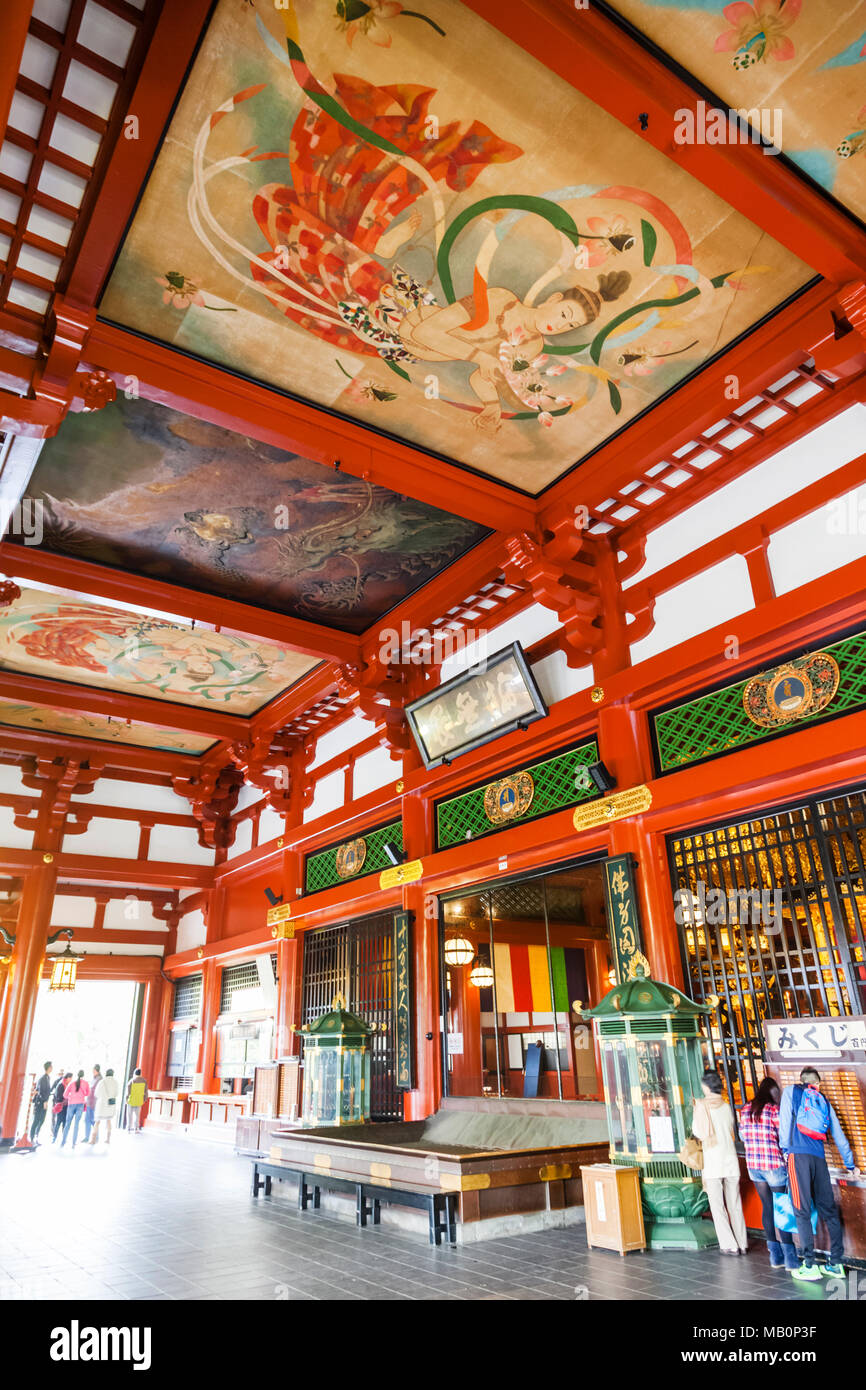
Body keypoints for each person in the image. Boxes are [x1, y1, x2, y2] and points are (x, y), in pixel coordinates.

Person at [779, 1066, 860, 1282]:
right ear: (818, 1083)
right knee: (829, 1210)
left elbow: (785, 1122)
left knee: (802, 1211)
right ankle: (836, 1263)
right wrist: (850, 1164)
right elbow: (839, 1135)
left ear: (801, 1080)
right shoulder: (822, 1098)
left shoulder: (790, 1092)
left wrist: (786, 1150)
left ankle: (810, 1265)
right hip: (819, 1159)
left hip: (798, 1157)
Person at [739, 1077, 797, 1270]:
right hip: (772, 1164)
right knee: (781, 1206)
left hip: (754, 1165)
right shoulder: (773, 1110)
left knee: (768, 1207)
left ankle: (775, 1257)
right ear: (772, 1093)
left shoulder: (746, 1109)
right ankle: (790, 1258)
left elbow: (742, 1135)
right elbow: (784, 1136)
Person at [691, 1068, 747, 1255]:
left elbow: (699, 1133)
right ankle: (742, 1242)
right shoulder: (726, 1106)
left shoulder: (701, 1106)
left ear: (706, 1086)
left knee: (717, 1205)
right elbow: (731, 1127)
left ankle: (729, 1244)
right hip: (730, 1159)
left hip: (713, 1161)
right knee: (735, 1204)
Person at [89, 1068, 120, 1146]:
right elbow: (116, 1093)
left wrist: (103, 1097)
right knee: (109, 1121)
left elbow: (96, 1094)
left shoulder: (102, 1082)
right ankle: (108, 1139)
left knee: (97, 1122)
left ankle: (93, 1140)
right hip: (110, 1105)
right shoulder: (115, 1082)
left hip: (101, 1105)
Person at [61, 1070, 90, 1149]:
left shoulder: (72, 1083)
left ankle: (63, 1142)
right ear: (83, 1075)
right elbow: (88, 1093)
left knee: (67, 1124)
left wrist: (71, 1097)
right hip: (80, 1105)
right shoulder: (86, 1083)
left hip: (71, 1105)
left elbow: (65, 1095)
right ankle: (73, 1144)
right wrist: (82, 1094)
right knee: (76, 1124)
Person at [29, 1061, 53, 1145]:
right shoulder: (43, 1078)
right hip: (40, 1102)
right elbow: (41, 1092)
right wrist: (45, 1101)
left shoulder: (48, 1078)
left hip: (44, 1102)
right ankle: (31, 1138)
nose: (52, 1068)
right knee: (36, 1120)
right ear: (48, 1068)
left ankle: (36, 1136)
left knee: (41, 1120)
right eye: (51, 1066)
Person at [51, 1072, 72, 1143]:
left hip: (66, 1107)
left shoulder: (66, 1085)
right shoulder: (61, 1085)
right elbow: (58, 1096)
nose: (71, 1079)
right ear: (68, 1078)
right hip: (61, 1106)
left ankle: (64, 1138)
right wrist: (66, 1099)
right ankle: (54, 1137)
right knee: (58, 1122)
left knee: (64, 1122)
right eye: (70, 1078)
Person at [126, 1069, 148, 1133]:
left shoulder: (131, 1081)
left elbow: (128, 1092)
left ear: (134, 1074)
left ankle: (128, 1128)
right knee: (137, 1116)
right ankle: (136, 1129)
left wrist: (126, 1099)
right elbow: (145, 1092)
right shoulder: (144, 1081)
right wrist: (144, 1099)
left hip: (131, 1101)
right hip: (139, 1101)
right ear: (140, 1074)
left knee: (129, 1115)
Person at [84, 1064, 101, 1143]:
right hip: (89, 1102)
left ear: (97, 1071)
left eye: (93, 1070)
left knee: (93, 1121)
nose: (92, 1072)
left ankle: (96, 1137)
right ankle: (87, 1137)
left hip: (93, 1103)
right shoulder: (94, 1079)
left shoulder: (99, 1079)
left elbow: (96, 1092)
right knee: (87, 1120)